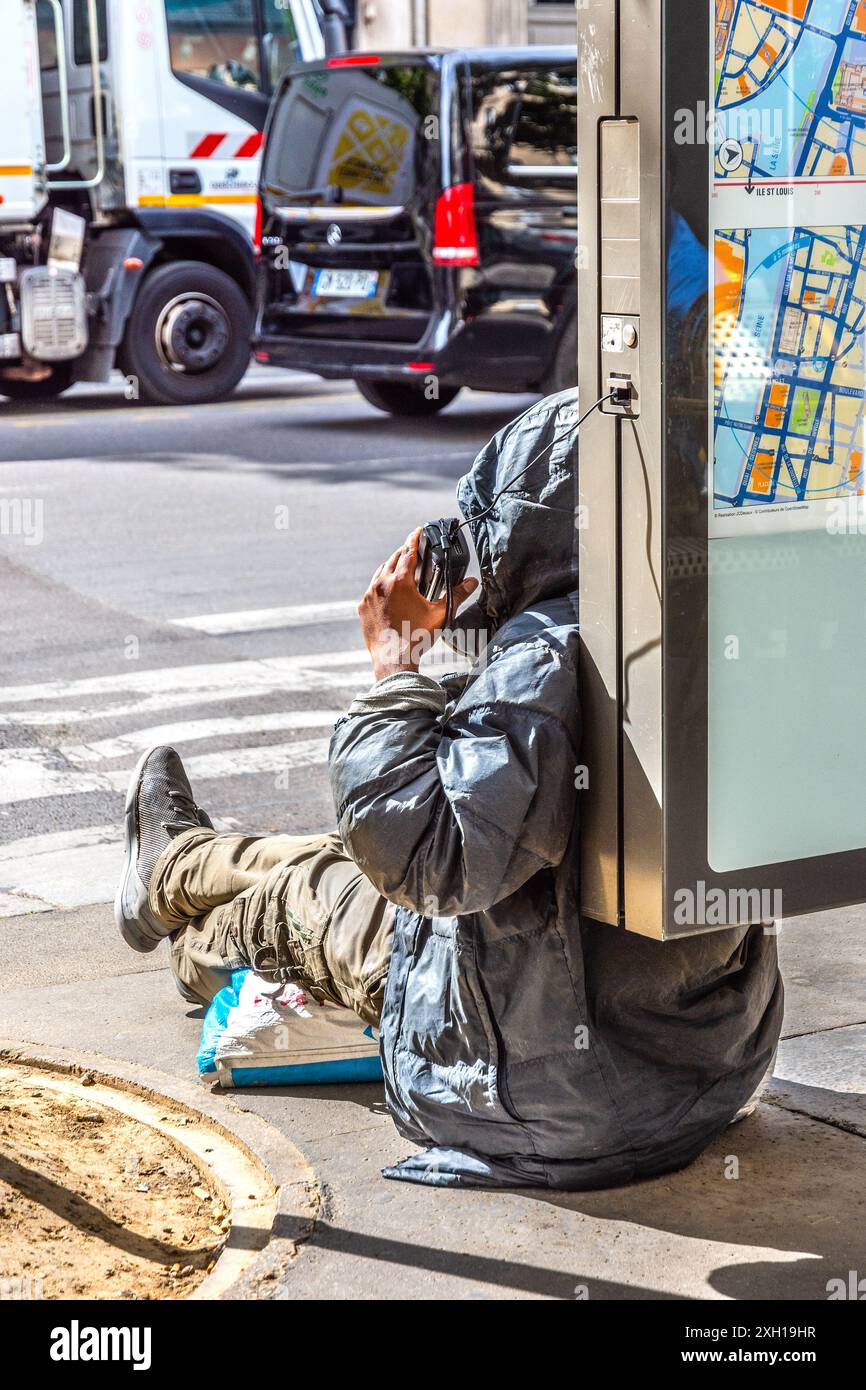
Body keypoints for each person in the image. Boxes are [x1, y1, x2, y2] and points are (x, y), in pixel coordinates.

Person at [115, 389, 783, 1189]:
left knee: (303, 893)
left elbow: (427, 860)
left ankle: (179, 913)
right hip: (699, 1064)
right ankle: (173, 863)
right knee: (334, 857)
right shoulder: (709, 618)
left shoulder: (548, 658)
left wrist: (395, 665)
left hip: (547, 1086)